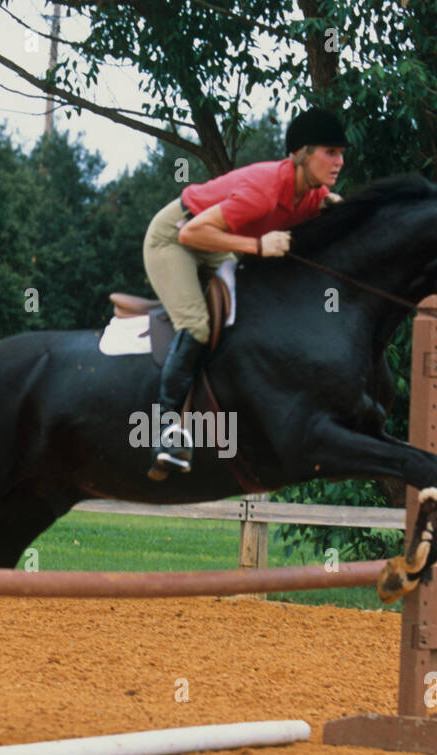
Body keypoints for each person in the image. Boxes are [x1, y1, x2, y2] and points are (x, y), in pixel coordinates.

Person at [141, 106, 348, 478]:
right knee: (198, 326)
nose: (339, 161)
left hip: (214, 243)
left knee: (249, 320)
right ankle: (166, 430)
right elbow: (190, 234)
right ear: (301, 155)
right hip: (174, 238)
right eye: (330, 152)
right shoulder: (264, 191)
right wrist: (258, 246)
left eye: (341, 153)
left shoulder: (312, 194)